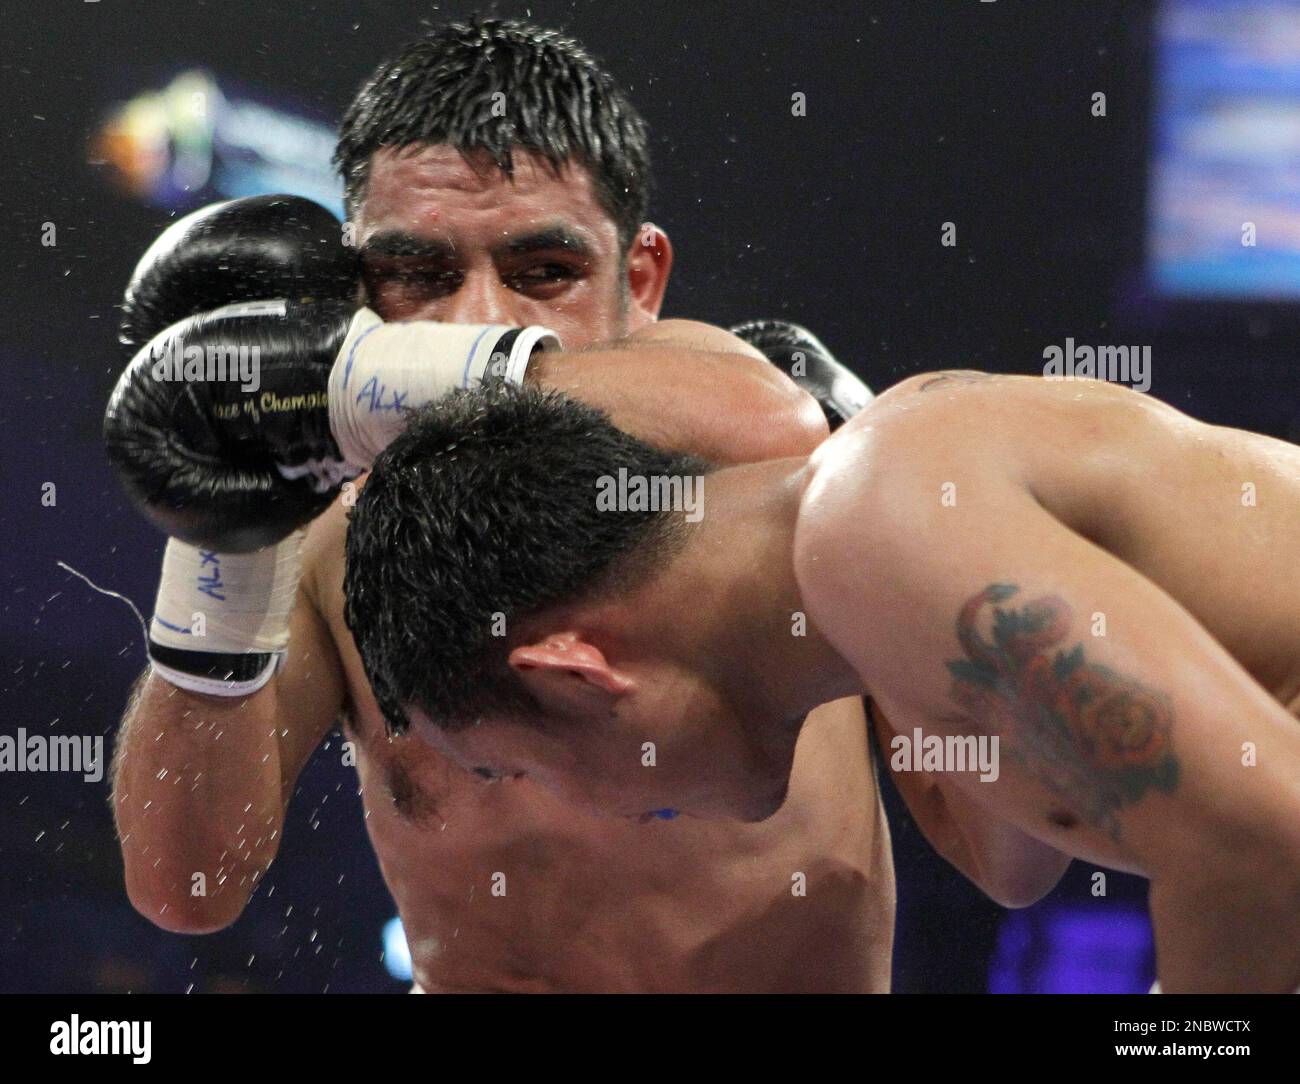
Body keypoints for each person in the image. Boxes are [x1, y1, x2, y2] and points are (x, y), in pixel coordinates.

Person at [108, 17, 907, 993]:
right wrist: (220, 535)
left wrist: (367, 376)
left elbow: (767, 417)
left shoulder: (762, 443)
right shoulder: (327, 535)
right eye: (418, 276)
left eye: (542, 273)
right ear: (351, 287)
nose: (479, 318)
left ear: (642, 278)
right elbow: (187, 885)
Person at [342, 373, 1300, 994]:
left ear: (575, 675)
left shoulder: (878, 516)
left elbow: (1261, 841)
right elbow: (1025, 862)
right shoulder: (886, 582)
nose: (611, 817)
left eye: (519, 772)